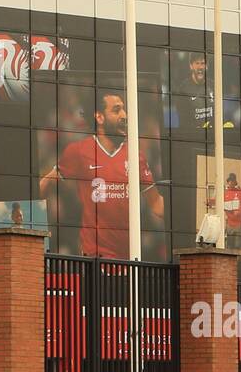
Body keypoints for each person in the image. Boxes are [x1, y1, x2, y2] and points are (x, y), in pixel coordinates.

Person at [39, 88, 163, 258]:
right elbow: (45, 182)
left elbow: (156, 204)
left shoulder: (135, 156)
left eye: (124, 109)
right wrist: (32, 221)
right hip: (94, 256)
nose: (124, 115)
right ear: (99, 117)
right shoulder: (78, 151)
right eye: (116, 109)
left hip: (130, 255)